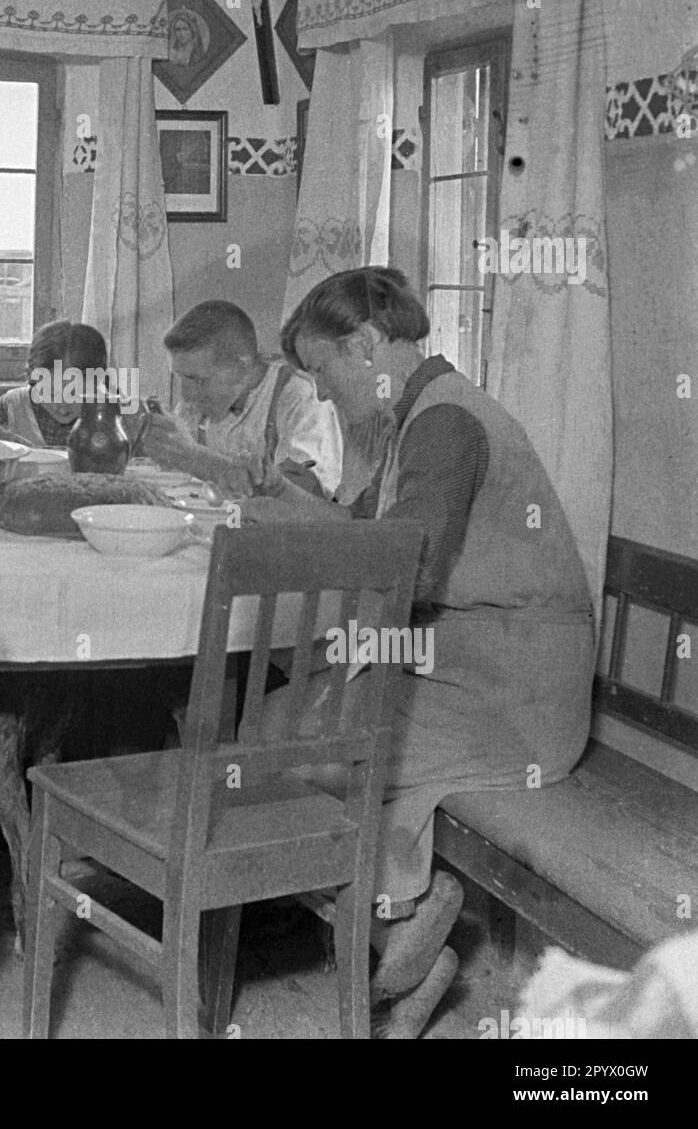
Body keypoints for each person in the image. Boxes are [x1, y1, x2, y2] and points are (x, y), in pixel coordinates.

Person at [244, 266, 595, 1037]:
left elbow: (405, 567)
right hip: (465, 666)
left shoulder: (445, 424)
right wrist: (268, 501)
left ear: (366, 344)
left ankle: (400, 928)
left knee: (315, 737)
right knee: (275, 721)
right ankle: (402, 938)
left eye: (325, 370)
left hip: (513, 696)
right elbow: (364, 534)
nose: (325, 391)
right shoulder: (416, 415)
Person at [141, 299, 344, 499]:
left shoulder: (297, 394)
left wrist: (194, 457)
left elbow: (305, 491)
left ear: (242, 366)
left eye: (198, 380)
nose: (187, 395)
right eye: (182, 378)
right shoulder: (196, 403)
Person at [0, 320, 144, 449]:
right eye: (50, 394)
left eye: (74, 394)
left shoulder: (122, 412)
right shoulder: (12, 406)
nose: (62, 407)